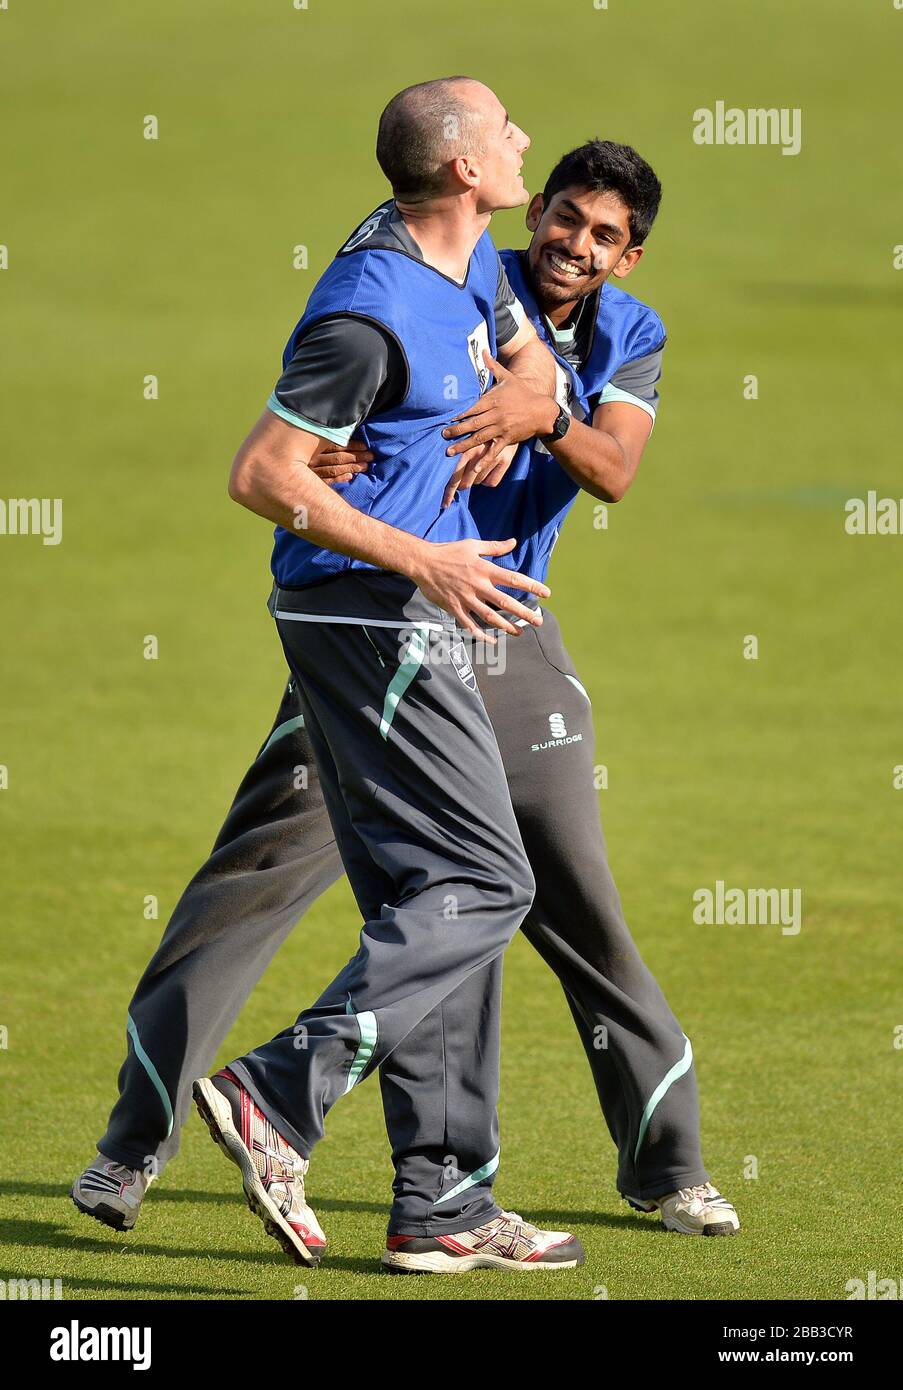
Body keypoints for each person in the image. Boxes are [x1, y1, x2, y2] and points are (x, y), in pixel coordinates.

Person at [72, 136, 739, 1277]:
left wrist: (544, 417)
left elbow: (615, 467)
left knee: (556, 896)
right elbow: (317, 410)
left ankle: (656, 1161)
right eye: (566, 218)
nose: (575, 243)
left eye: (603, 236)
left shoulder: (631, 333)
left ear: (632, 257)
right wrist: (333, 463)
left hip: (507, 631)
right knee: (256, 887)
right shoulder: (464, 267)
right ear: (537, 216)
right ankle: (138, 1144)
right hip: (387, 624)